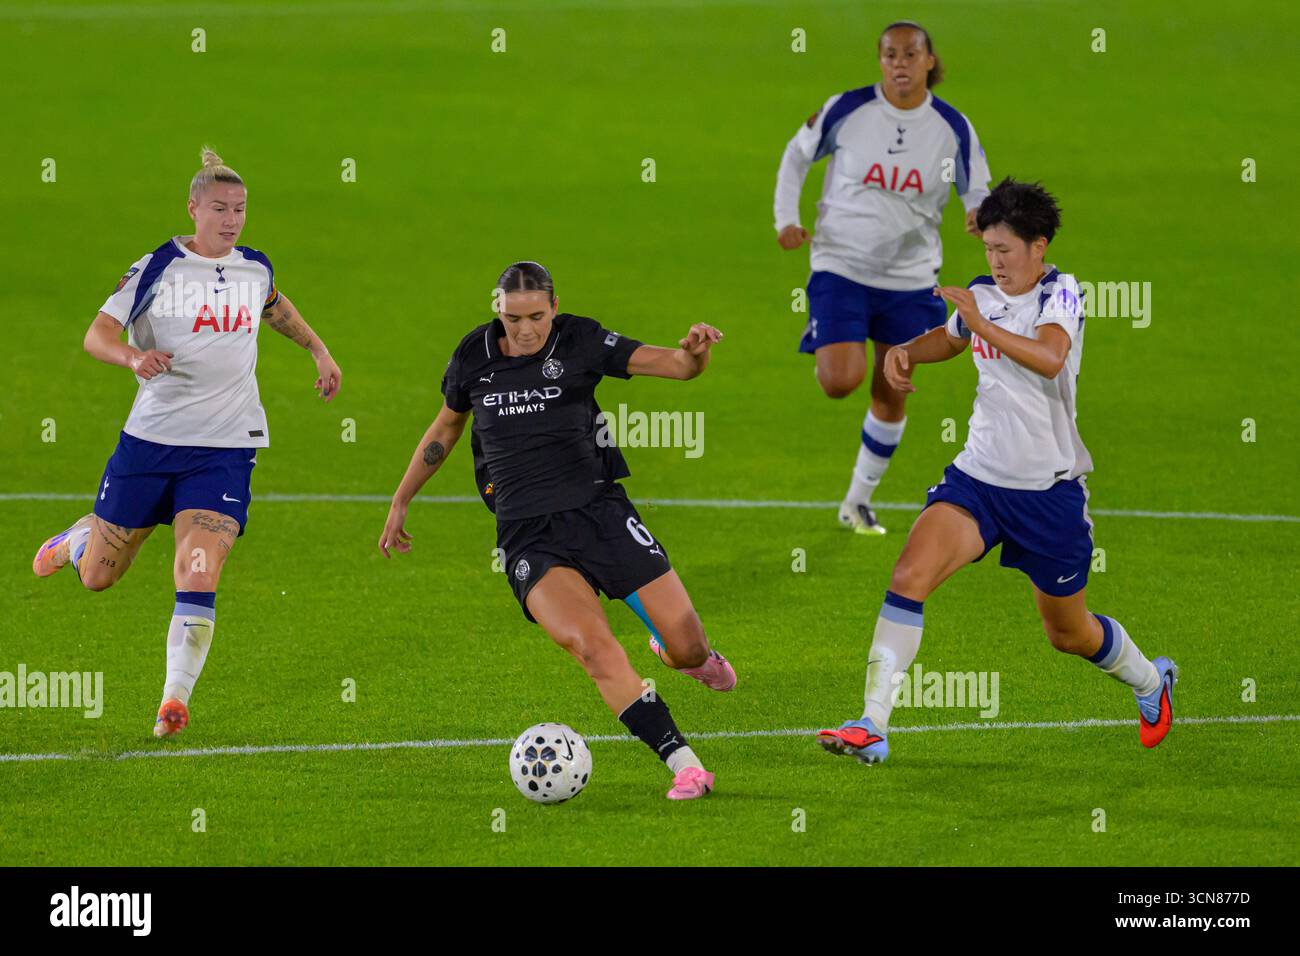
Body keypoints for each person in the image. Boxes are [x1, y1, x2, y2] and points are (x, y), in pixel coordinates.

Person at [816, 179, 1177, 764]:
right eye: (987, 250)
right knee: (909, 576)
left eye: (1005, 250)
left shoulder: (1061, 293)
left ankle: (1148, 682)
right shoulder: (984, 295)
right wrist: (908, 350)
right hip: (977, 480)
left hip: (1048, 494)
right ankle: (872, 724)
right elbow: (952, 337)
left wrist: (980, 324)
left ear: (1038, 246)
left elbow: (1049, 356)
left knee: (1068, 633)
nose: (995, 262)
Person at [378, 261, 734, 800]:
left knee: (689, 648)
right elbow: (446, 427)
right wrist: (402, 498)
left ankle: (680, 655)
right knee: (592, 647)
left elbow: (678, 367)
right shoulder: (474, 356)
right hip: (529, 536)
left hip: (602, 515)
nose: (524, 330)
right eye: (513, 318)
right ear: (497, 308)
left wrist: (696, 350)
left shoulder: (581, 340)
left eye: (537, 317)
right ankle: (684, 764)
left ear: (555, 307)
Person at [32, 148, 343, 738]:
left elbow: (273, 304)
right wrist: (132, 356)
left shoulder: (253, 268)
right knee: (100, 575)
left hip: (224, 450)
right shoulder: (156, 268)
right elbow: (97, 333)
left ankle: (173, 702)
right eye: (221, 209)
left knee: (198, 570)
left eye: (242, 210)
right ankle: (78, 540)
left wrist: (318, 350)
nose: (232, 221)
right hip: (149, 445)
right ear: (193, 208)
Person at [774, 20, 991, 533]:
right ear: (881, 61)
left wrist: (976, 211)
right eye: (890, 54)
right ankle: (828, 333)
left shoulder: (952, 126)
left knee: (893, 387)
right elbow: (795, 154)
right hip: (841, 265)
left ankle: (857, 501)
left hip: (912, 278)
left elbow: (976, 187)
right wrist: (786, 219)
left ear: (929, 61)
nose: (900, 63)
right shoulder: (848, 110)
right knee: (839, 381)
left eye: (910, 54)